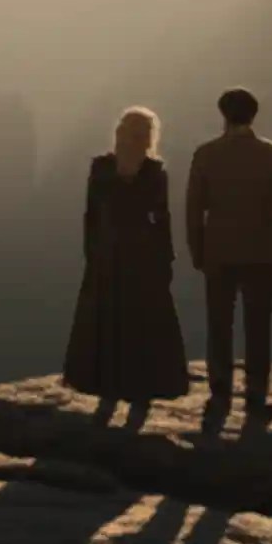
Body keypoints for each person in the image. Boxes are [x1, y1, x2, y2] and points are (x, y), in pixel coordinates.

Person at [62, 106, 190, 405]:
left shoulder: (101, 167)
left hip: (107, 251)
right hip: (143, 252)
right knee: (144, 319)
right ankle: (143, 383)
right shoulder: (155, 171)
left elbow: (91, 216)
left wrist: (91, 252)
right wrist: (167, 257)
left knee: (107, 317)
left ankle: (106, 382)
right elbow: (161, 219)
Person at [186, 87, 272, 416]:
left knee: (219, 323)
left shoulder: (205, 154)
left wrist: (197, 251)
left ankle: (220, 389)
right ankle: (257, 392)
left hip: (218, 252)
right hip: (260, 254)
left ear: (223, 115)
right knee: (258, 325)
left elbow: (194, 209)